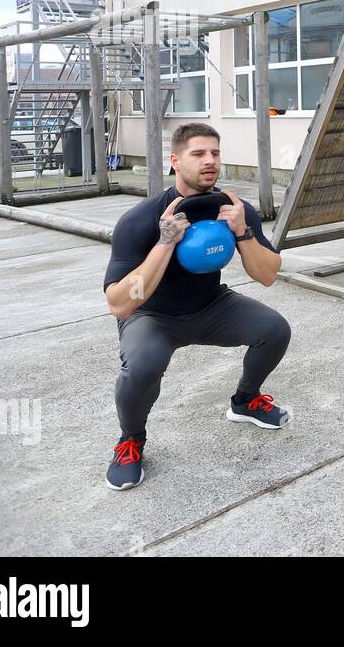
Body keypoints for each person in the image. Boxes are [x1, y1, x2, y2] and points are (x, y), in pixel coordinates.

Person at [102, 122, 291, 490]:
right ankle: (131, 440)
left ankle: (245, 401)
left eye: (215, 153)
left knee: (274, 330)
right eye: (198, 154)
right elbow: (119, 304)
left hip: (211, 307)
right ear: (175, 161)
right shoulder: (140, 219)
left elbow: (267, 275)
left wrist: (243, 233)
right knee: (143, 366)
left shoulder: (233, 209)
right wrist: (165, 242)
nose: (210, 161)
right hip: (152, 316)